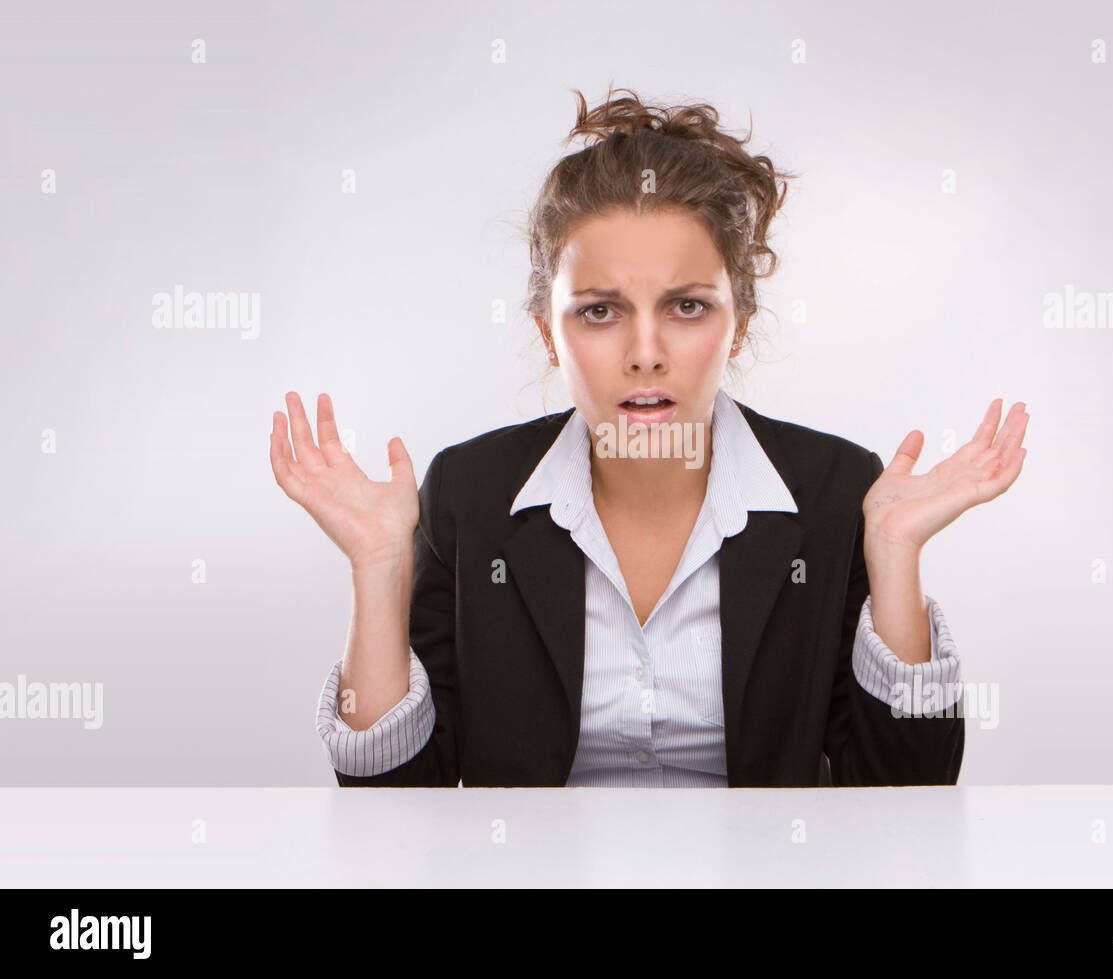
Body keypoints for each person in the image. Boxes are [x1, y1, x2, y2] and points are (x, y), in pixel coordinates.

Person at [270, 87, 1028, 787]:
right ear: (548, 334)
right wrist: (377, 568)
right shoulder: (471, 492)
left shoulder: (831, 490)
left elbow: (907, 792)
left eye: (687, 307)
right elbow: (395, 799)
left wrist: (894, 558)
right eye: (599, 311)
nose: (644, 351)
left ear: (738, 327)